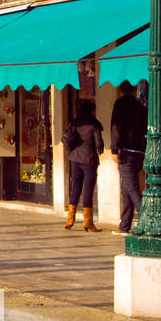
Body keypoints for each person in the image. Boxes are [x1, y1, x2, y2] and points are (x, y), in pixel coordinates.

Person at [63, 98, 105, 232]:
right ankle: (88, 222)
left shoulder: (75, 122)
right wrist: (100, 149)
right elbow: (99, 145)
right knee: (87, 190)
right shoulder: (94, 124)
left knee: (75, 188)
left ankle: (70, 220)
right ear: (91, 110)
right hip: (89, 160)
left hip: (74, 159)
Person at [111, 82, 146, 235]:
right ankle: (124, 225)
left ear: (120, 91)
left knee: (131, 188)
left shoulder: (119, 104)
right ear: (134, 90)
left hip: (126, 152)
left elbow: (116, 128)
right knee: (126, 189)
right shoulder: (140, 106)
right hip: (139, 152)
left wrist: (114, 149)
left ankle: (147, 220)